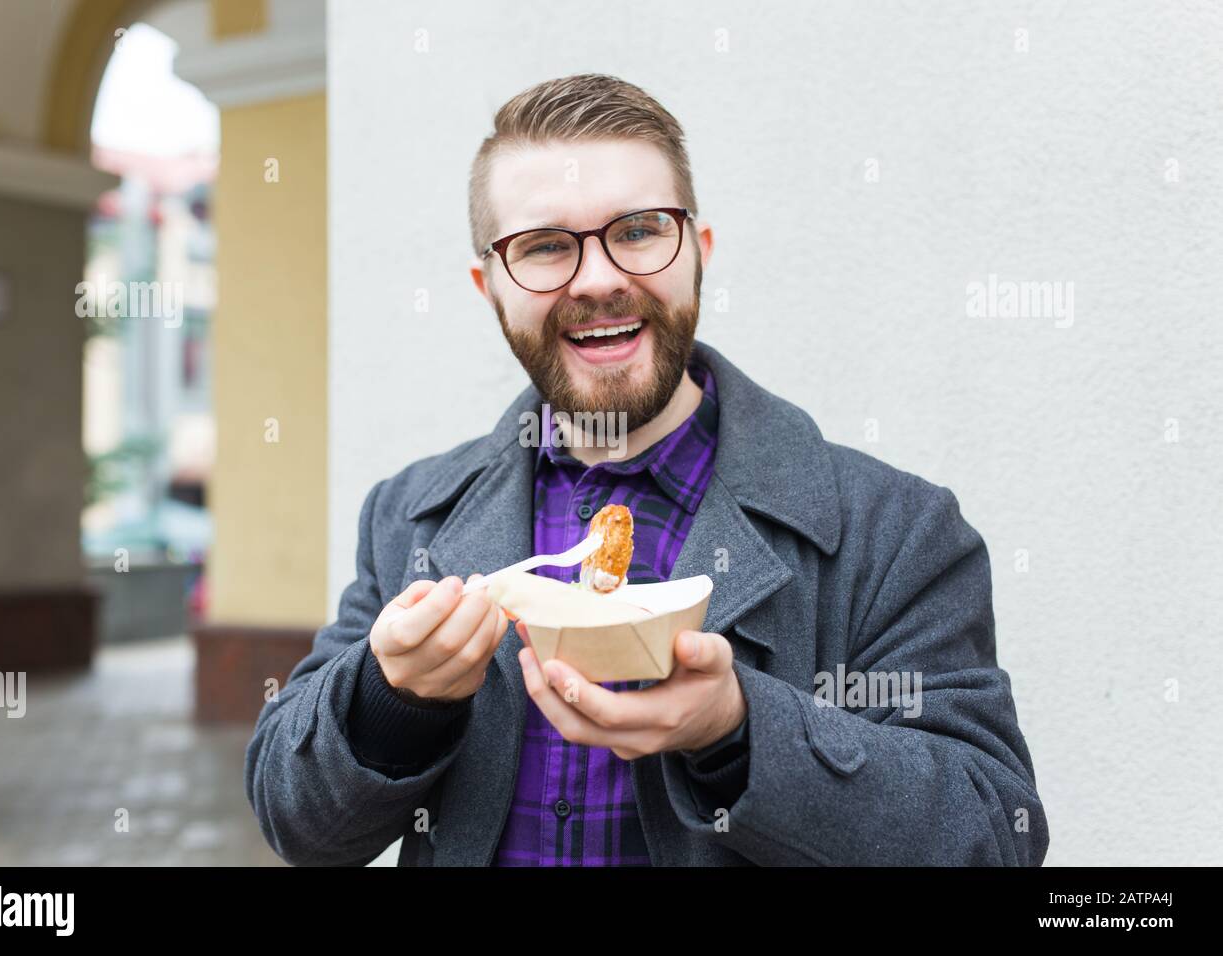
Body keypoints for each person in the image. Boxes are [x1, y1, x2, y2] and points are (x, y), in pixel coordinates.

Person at [245, 73, 1048, 867]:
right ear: (489, 287)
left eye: (636, 231)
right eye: (545, 246)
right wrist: (393, 699)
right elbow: (299, 826)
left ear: (697, 251)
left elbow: (992, 832)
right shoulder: (410, 517)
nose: (598, 279)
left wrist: (738, 731)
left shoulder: (896, 531)